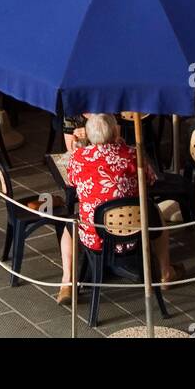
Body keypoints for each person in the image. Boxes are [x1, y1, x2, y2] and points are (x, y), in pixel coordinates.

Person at [57, 113, 175, 306]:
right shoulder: (133, 154)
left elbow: (72, 181)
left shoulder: (79, 158)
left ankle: (67, 282)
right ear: (115, 132)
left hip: (96, 235)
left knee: (69, 229)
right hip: (135, 233)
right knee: (157, 215)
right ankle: (165, 273)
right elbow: (151, 180)